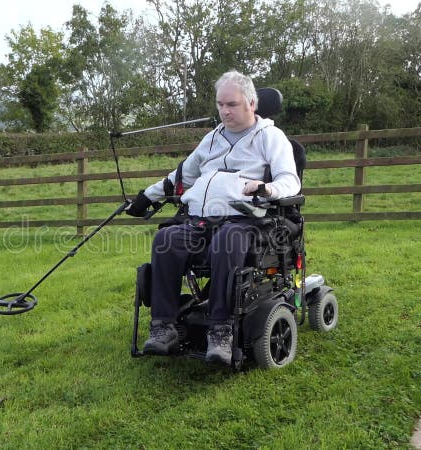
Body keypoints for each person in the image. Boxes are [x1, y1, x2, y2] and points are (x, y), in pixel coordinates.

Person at [126, 70, 301, 365]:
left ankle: (221, 330)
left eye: (231, 104)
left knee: (227, 240)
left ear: (251, 103)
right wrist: (147, 196)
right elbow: (182, 176)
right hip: (200, 220)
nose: (224, 111)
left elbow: (290, 181)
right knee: (166, 238)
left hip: (247, 221)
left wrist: (266, 188)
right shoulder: (212, 138)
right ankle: (164, 326)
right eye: (220, 104)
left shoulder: (271, 137)